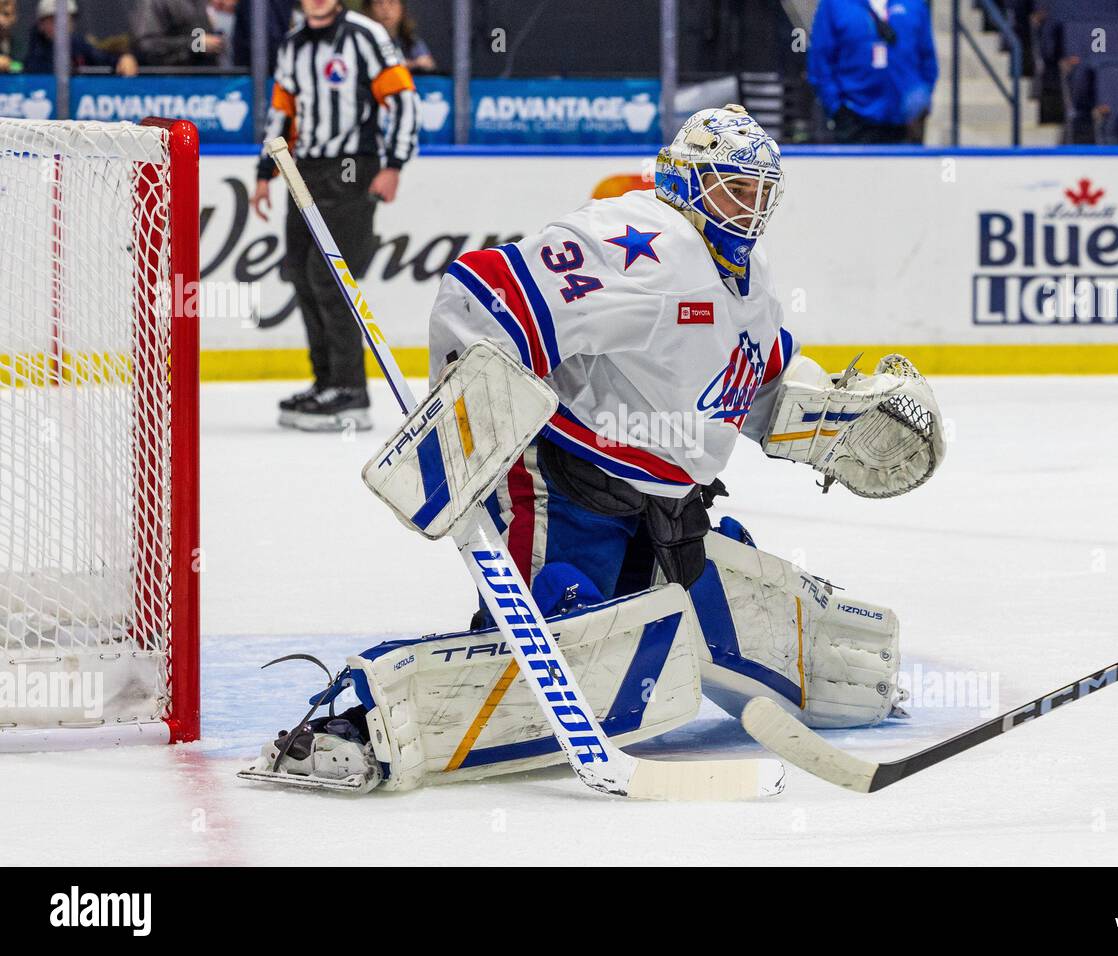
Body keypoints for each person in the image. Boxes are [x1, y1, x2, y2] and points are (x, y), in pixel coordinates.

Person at [247, 105, 946, 789]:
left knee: (718, 621)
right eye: (734, 188)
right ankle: (359, 728)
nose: (749, 210)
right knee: (569, 639)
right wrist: (462, 425)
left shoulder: (752, 279)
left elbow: (751, 386)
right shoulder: (642, 238)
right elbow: (482, 297)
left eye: (762, 193)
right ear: (683, 181)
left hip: (672, 508)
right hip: (570, 488)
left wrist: (834, 422)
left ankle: (835, 682)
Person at [251, 0, 418, 431]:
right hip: (302, 168)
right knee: (302, 274)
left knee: (331, 276)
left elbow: (402, 100)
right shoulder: (292, 45)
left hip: (351, 169)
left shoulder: (365, 35)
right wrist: (265, 172)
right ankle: (326, 382)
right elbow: (281, 111)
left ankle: (350, 391)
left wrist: (394, 165)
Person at [808, 0, 938, 145]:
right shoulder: (834, 5)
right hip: (854, 121)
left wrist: (919, 105)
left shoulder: (914, 4)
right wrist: (837, 109)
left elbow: (928, 61)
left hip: (905, 124)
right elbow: (820, 63)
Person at [23, 0, 138, 75]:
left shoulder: (77, 44)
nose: (63, 24)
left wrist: (122, 59)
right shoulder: (33, 47)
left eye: (68, 19)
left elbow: (101, 58)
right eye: (54, 20)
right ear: (41, 24)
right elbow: (33, 69)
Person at [131, 0, 234, 67]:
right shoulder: (155, 2)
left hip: (208, 82)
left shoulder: (204, 3)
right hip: (172, 84)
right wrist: (195, 43)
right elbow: (147, 44)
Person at [362, 0, 434, 72]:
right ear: (369, 9)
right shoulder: (363, 41)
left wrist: (420, 64)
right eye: (379, 3)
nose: (385, 8)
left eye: (392, 2)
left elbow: (427, 64)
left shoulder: (410, 41)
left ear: (402, 8)